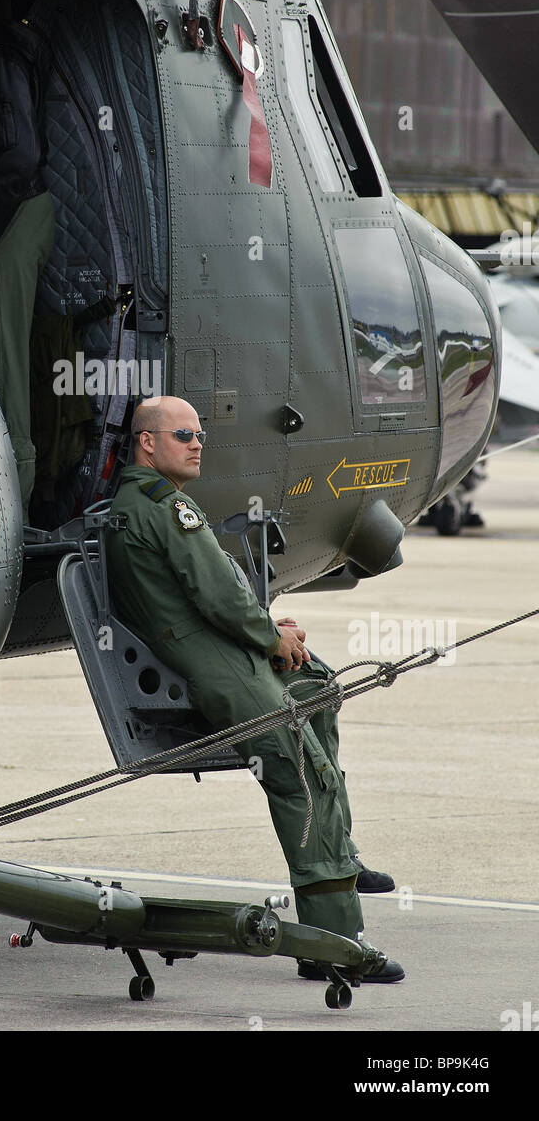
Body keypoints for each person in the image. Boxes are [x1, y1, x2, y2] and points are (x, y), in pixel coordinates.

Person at [106, 395, 404, 983]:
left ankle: (337, 853)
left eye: (200, 435)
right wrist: (269, 637)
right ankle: (334, 942)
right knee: (301, 772)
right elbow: (217, 594)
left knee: (317, 684)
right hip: (213, 662)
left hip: (209, 649)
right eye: (184, 434)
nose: (198, 443)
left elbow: (210, 596)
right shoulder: (166, 509)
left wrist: (271, 632)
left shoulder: (137, 504)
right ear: (147, 443)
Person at [0, 0, 55, 516]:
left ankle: (17, 496)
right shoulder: (13, 51)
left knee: (6, 361)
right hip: (22, 210)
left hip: (15, 214)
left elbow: (16, 157)